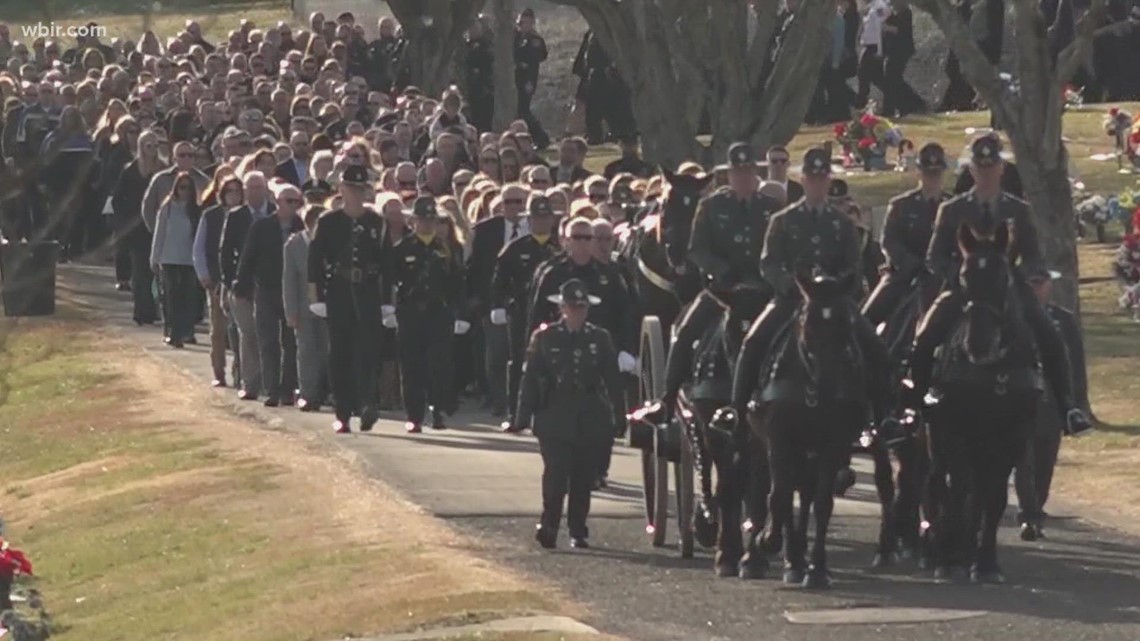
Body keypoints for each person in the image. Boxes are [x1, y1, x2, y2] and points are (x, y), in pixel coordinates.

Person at [919, 134, 1091, 435]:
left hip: (1008, 287)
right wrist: (963, 275)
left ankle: (1068, 407)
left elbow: (1034, 255)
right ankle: (914, 402)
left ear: (1001, 169)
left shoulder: (1018, 210)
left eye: (992, 166)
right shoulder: (953, 209)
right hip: (965, 289)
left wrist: (1027, 276)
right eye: (980, 167)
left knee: (1049, 330)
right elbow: (935, 257)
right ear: (971, 170)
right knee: (926, 335)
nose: (986, 173)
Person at [731, 148, 895, 433]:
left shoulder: (842, 223)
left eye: (822, 179)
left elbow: (854, 266)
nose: (818, 185)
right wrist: (792, 286)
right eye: (812, 179)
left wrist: (836, 287)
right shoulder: (783, 220)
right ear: (803, 180)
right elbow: (769, 263)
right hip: (791, 300)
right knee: (753, 342)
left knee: (875, 346)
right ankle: (736, 412)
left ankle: (883, 419)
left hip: (834, 303)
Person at [660, 142, 780, 416]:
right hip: (722, 292)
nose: (743, 177)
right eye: (738, 172)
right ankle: (666, 399)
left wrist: (767, 275)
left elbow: (780, 249)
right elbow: (696, 249)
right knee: (685, 332)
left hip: (764, 292)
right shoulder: (712, 206)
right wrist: (722, 271)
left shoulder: (771, 209)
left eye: (748, 171)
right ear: (730, 175)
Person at [512, 278, 626, 549]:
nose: (577, 312)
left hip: (589, 414)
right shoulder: (544, 337)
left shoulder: (600, 338)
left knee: (583, 477)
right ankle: (549, 523)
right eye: (572, 307)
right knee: (555, 473)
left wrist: (619, 416)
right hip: (554, 413)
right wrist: (522, 416)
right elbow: (530, 380)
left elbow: (612, 380)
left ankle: (578, 528)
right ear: (562, 308)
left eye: (582, 307)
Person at [308, 164, 386, 433]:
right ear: (341, 189)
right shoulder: (329, 222)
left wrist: (386, 299)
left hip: (367, 290)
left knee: (367, 351)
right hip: (340, 289)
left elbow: (385, 261)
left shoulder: (376, 222)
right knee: (339, 352)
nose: (354, 193)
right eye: (350, 187)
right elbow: (316, 260)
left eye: (359, 188)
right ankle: (342, 412)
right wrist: (316, 295)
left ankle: (367, 403)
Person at [1014, 268, 1089, 541]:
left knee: (1045, 461)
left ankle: (1037, 508)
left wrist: (1074, 401)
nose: (1038, 288)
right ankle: (1028, 514)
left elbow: (1074, 364)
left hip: (1051, 399)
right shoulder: (1011, 315)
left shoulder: (1063, 320)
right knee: (1025, 460)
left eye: (1042, 283)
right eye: (1033, 282)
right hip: (1020, 397)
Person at [386, 196, 467, 432]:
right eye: (424, 219)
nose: (428, 224)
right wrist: (388, 308)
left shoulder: (446, 250)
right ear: (414, 221)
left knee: (439, 365)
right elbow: (391, 280)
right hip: (411, 313)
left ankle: (438, 409)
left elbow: (456, 284)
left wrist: (460, 314)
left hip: (438, 313)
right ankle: (414, 415)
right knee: (412, 367)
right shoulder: (402, 248)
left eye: (432, 219)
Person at [491, 194, 562, 431]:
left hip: (554, 314)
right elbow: (499, 281)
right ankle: (515, 414)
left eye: (546, 217)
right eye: (537, 218)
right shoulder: (514, 249)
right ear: (529, 220)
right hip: (521, 314)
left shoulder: (560, 249)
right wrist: (498, 306)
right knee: (520, 362)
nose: (542, 222)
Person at [861, 142, 950, 325]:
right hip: (905, 273)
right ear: (919, 172)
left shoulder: (953, 207)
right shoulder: (902, 205)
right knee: (866, 320)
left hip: (941, 275)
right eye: (928, 172)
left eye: (937, 173)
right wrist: (908, 262)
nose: (932, 178)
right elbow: (889, 240)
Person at [235, 182, 304, 407]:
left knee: (291, 342)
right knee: (268, 342)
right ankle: (272, 389)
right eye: (289, 201)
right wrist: (241, 285)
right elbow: (248, 257)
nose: (294, 206)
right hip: (266, 289)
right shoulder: (262, 227)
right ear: (278, 202)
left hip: (293, 291)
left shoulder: (301, 227)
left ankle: (288, 390)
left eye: (297, 202)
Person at [469, 183, 532, 417]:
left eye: (519, 202)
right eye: (509, 202)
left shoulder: (537, 227)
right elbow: (476, 268)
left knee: (523, 355)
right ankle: (499, 401)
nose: (515, 207)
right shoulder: (485, 230)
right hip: (494, 301)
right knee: (497, 354)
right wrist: (480, 301)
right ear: (500, 205)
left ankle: (522, 402)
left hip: (525, 302)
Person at [220, 171, 276, 401]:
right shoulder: (236, 216)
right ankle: (250, 383)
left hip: (270, 285)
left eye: (259, 187)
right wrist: (231, 282)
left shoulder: (275, 213)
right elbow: (225, 253)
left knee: (270, 336)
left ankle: (272, 382)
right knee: (248, 334)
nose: (255, 192)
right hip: (243, 288)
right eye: (250, 188)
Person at [194, 173, 243, 387]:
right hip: (215, 280)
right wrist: (204, 274)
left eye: (237, 191)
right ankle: (218, 371)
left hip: (239, 281)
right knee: (218, 329)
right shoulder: (210, 216)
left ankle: (240, 372)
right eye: (229, 191)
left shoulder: (245, 215)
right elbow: (199, 248)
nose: (233, 195)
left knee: (240, 330)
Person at [284, 197, 329, 412]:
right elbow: (289, 280)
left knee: (327, 351)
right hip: (303, 308)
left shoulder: (332, 243)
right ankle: (307, 393)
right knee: (306, 351)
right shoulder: (294, 245)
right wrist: (291, 311)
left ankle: (327, 392)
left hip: (328, 308)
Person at [149, 172, 202, 349]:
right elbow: (160, 232)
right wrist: (154, 258)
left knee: (188, 297)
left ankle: (187, 331)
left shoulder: (196, 210)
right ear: (175, 188)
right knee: (171, 297)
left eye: (188, 188)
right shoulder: (168, 207)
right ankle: (172, 332)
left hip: (189, 259)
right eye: (181, 187)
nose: (185, 191)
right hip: (169, 258)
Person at [514, 8, 549, 149]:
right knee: (517, 110)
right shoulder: (514, 37)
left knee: (523, 109)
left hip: (526, 79)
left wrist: (529, 81)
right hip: (514, 79)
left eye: (528, 22)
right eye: (523, 22)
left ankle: (541, 138)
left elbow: (537, 58)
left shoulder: (535, 40)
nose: (525, 25)